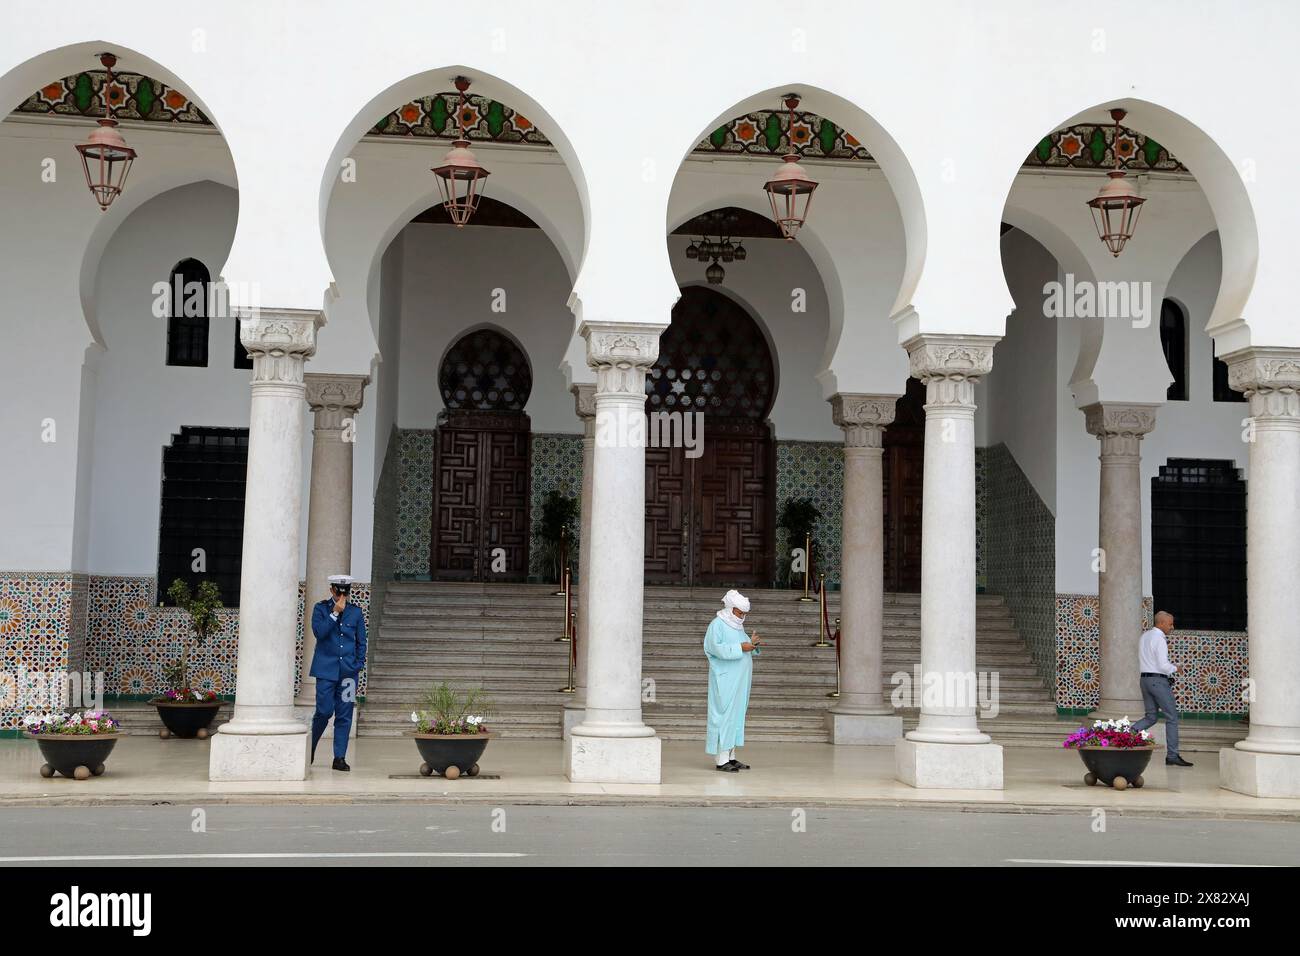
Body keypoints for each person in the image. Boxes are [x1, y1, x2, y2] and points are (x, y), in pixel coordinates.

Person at [310, 573, 367, 771]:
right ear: (332, 590)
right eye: (339, 591)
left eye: (346, 591)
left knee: (344, 715)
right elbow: (319, 633)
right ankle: (310, 749)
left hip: (348, 673)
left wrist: (357, 664)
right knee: (324, 712)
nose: (342, 595)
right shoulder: (320, 609)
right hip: (325, 671)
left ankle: (339, 758)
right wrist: (334, 613)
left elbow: (361, 641)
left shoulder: (356, 612)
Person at [705, 589, 761, 772]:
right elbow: (715, 649)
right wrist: (740, 647)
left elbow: (744, 647)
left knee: (737, 715)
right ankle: (721, 759)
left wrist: (751, 644)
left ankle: (731, 756)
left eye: (745, 613)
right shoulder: (717, 625)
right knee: (724, 715)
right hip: (725, 680)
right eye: (740, 612)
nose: (742, 616)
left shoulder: (738, 626)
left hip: (740, 680)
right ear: (731, 608)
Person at [1132, 610, 1192, 767]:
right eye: (1170, 623)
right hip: (1158, 681)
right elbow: (1163, 665)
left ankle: (1124, 735)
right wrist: (1176, 668)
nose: (1172, 627)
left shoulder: (1145, 636)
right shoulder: (1159, 639)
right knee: (1172, 717)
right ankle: (1172, 755)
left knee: (1151, 717)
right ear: (1161, 623)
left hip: (1144, 680)